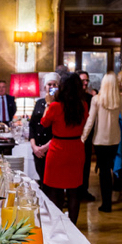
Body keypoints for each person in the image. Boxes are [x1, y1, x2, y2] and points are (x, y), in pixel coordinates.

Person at [39, 73, 88, 225]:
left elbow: (44, 123)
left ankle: (58, 225)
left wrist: (48, 104)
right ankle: (73, 226)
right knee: (74, 191)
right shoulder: (83, 105)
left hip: (58, 150)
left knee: (55, 190)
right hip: (76, 149)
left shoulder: (55, 106)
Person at [82, 72, 122, 213]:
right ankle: (107, 203)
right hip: (115, 139)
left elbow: (90, 121)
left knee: (103, 171)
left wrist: (83, 138)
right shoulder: (120, 100)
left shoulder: (96, 99)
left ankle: (106, 204)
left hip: (99, 139)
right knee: (109, 169)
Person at [29, 72, 60, 187]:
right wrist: (34, 147)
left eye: (54, 84)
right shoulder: (39, 102)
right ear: (44, 87)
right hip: (37, 149)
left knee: (51, 184)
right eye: (49, 84)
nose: (51, 87)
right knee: (41, 181)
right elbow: (32, 125)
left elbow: (59, 129)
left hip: (51, 148)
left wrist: (45, 148)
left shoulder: (59, 104)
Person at [78, 72, 96, 201]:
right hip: (73, 136)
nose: (85, 83)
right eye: (83, 80)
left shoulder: (91, 99)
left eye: (87, 80)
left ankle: (84, 190)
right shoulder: (71, 98)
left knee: (86, 164)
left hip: (87, 136)